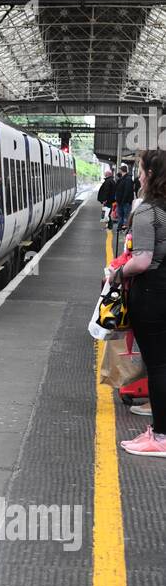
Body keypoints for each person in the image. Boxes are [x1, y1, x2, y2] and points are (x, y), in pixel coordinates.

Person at [117, 149, 166, 456]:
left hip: (152, 293)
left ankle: (160, 437)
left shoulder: (149, 212)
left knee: (159, 365)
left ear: (150, 175)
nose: (139, 175)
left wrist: (117, 273)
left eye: (141, 170)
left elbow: (143, 260)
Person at [113, 162, 135, 255]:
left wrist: (123, 200)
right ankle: (120, 230)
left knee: (125, 217)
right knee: (121, 216)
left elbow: (127, 191)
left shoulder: (128, 179)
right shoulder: (123, 178)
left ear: (122, 170)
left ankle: (124, 232)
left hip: (125, 202)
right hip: (121, 202)